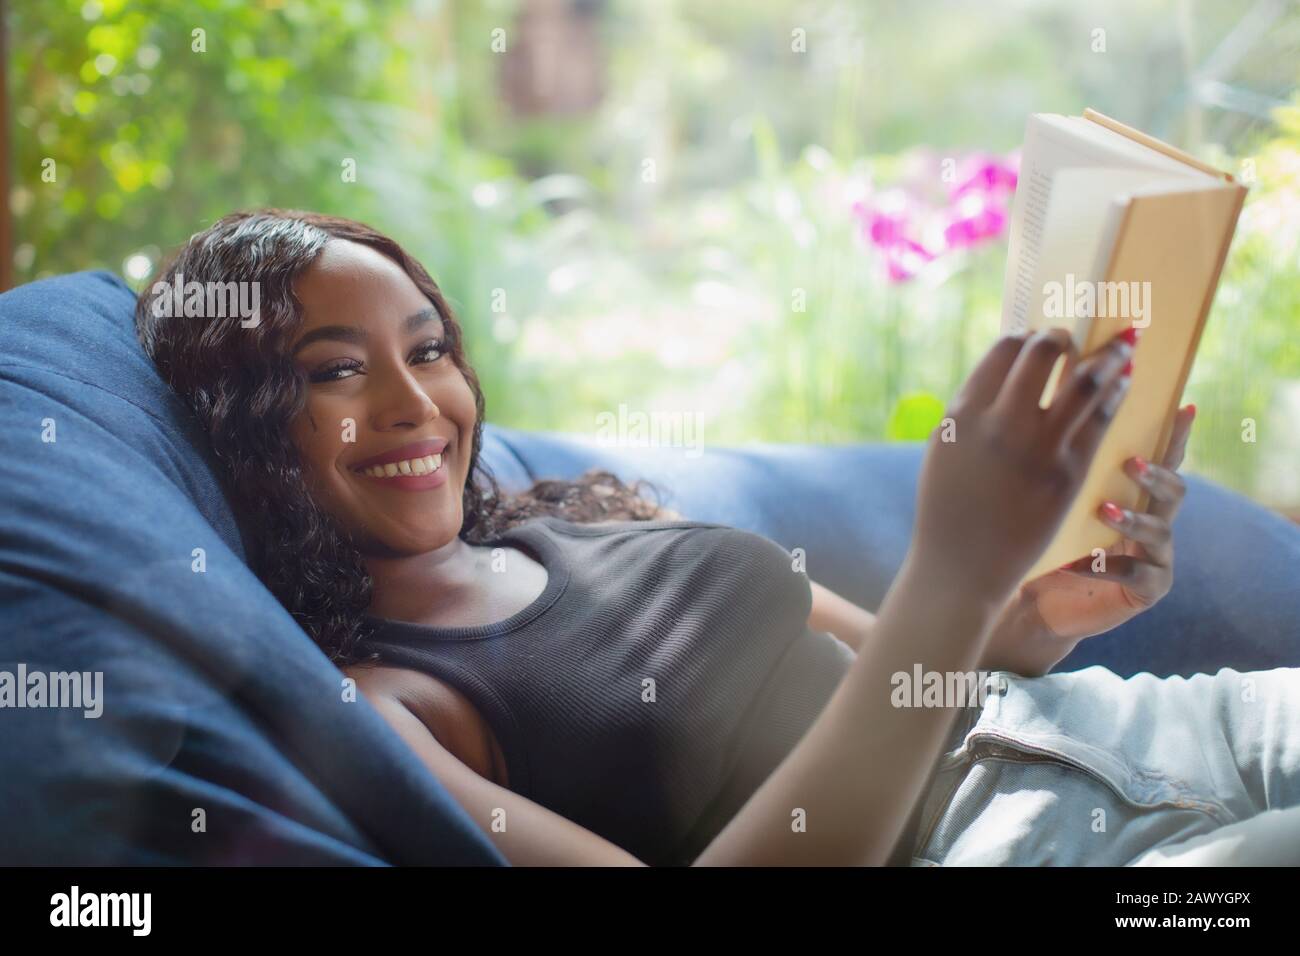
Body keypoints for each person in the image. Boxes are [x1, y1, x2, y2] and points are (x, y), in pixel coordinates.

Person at [135, 209, 1300, 866]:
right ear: (240, 428)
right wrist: (955, 563)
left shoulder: (577, 513)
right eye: (336, 369)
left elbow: (933, 667)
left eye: (428, 346)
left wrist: (1039, 606)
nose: (411, 400)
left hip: (1147, 719)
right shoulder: (388, 704)